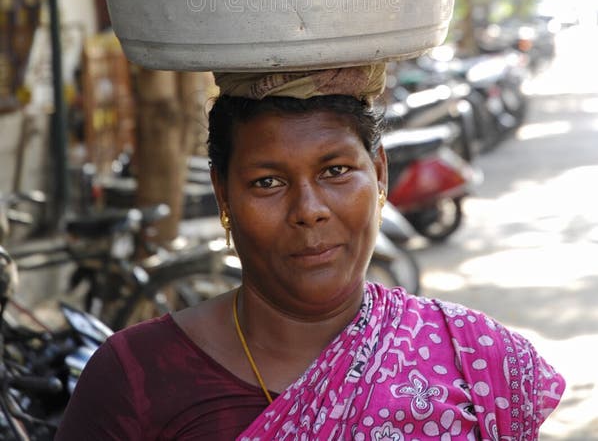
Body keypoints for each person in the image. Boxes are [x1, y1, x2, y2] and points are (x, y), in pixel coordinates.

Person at [55, 64, 565, 440]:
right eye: (268, 181)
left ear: (380, 173)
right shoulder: (135, 377)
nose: (309, 209)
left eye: (336, 171)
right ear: (222, 194)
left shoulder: (474, 361)